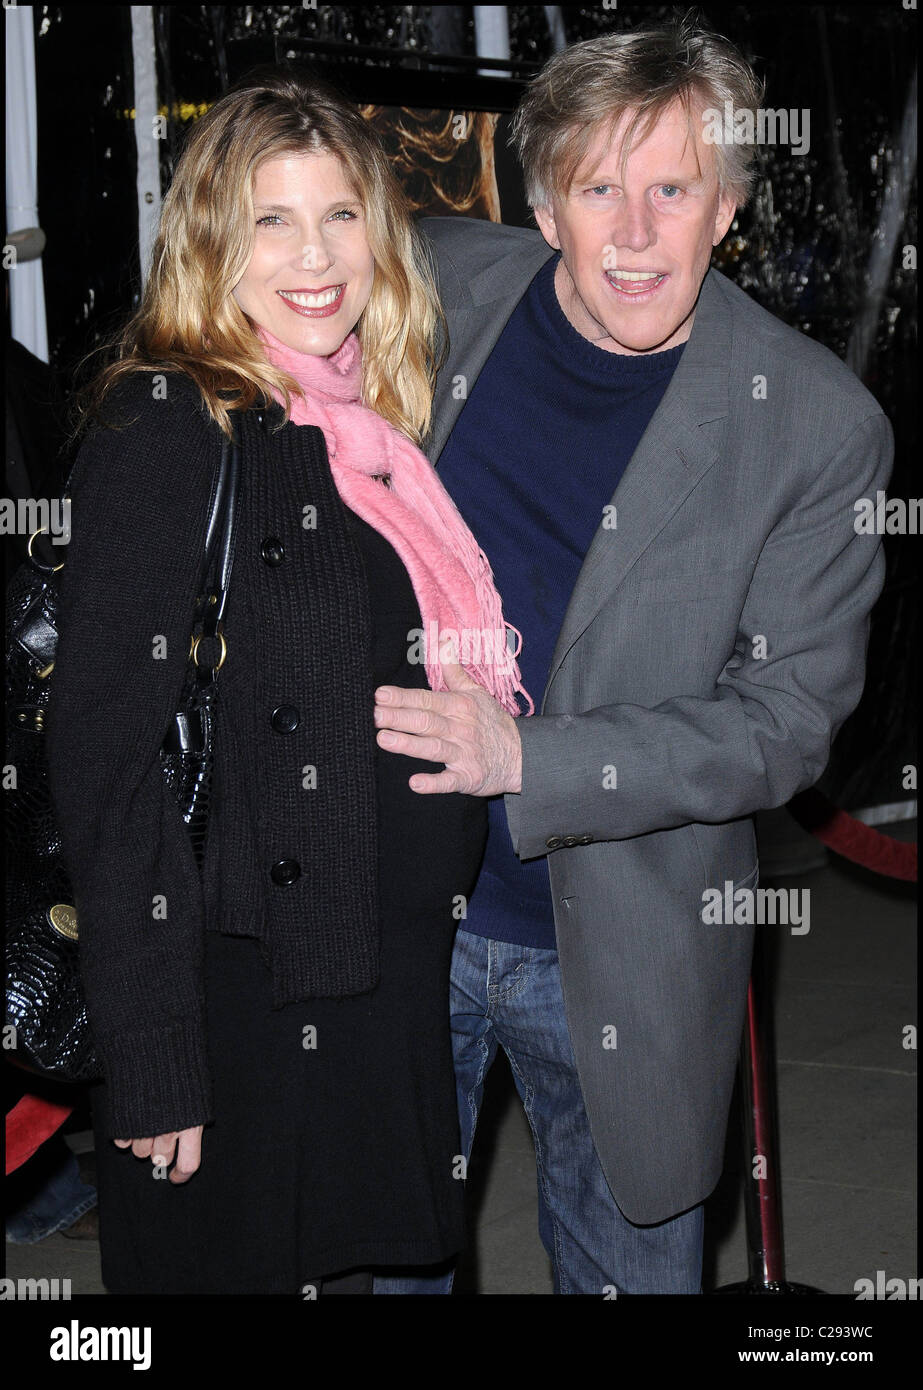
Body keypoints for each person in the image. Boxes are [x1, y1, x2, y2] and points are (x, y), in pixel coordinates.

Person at [372, 17, 893, 1294]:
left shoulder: (813, 428)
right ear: (543, 204)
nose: (636, 230)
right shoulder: (433, 287)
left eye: (672, 188)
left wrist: (525, 757)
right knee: (380, 1267)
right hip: (393, 918)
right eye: (598, 187)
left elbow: (781, 722)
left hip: (622, 944)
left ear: (726, 208)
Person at [46, 65, 529, 1296]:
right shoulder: (171, 422)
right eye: (272, 219)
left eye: (339, 214)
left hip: (372, 978)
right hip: (234, 1001)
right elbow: (109, 769)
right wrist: (154, 1062)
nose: (314, 256)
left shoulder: (364, 429)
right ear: (214, 241)